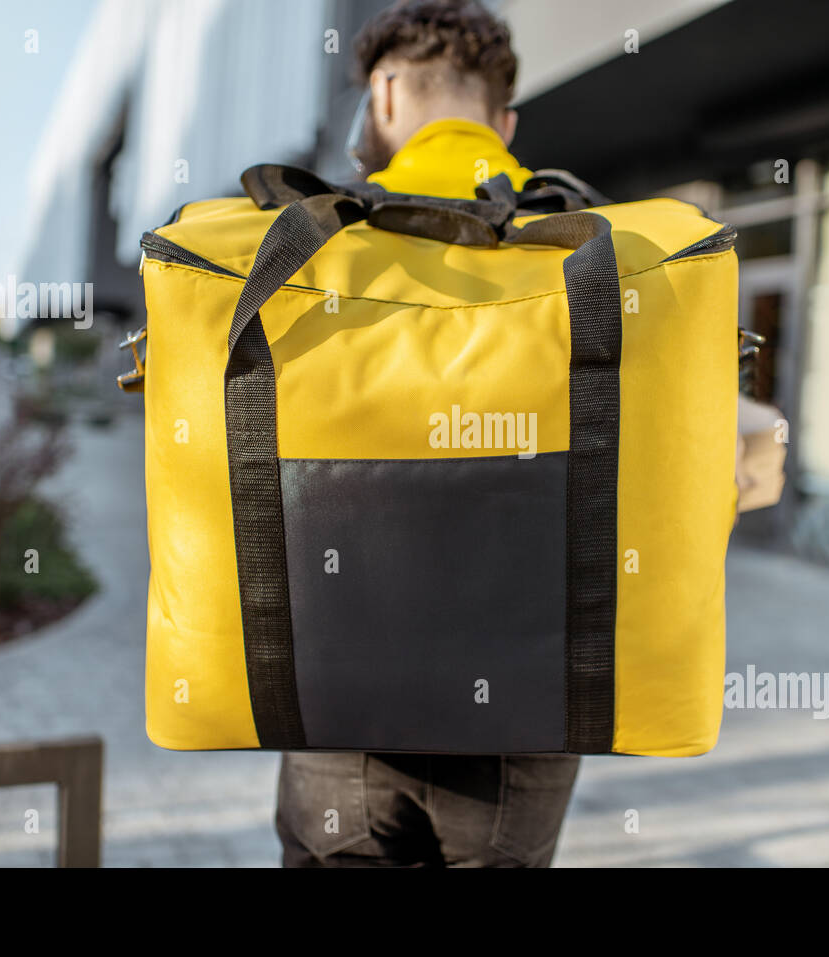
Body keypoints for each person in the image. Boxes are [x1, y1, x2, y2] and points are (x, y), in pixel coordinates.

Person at [273, 0, 581, 868]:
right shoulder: (580, 252)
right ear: (506, 124)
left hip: (342, 690)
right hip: (532, 711)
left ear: (383, 95)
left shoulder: (316, 254)